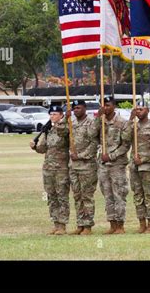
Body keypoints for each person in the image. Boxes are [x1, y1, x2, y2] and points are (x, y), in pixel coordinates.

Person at [56, 100, 98, 236]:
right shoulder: (71, 123)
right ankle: (80, 224)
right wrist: (65, 118)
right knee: (77, 196)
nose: (76, 110)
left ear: (85, 108)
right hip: (73, 166)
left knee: (87, 196)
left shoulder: (91, 122)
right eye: (74, 108)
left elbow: (94, 142)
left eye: (79, 108)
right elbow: (60, 132)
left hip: (87, 165)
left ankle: (88, 225)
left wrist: (80, 156)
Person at [29, 105, 70, 235]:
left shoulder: (65, 128)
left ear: (61, 115)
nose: (52, 116)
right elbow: (43, 148)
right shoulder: (49, 129)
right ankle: (55, 223)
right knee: (51, 197)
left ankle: (62, 225)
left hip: (61, 168)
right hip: (48, 168)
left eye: (55, 114)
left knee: (62, 196)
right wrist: (35, 147)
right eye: (51, 114)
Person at [95, 96, 132, 234]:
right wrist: (97, 119)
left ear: (114, 106)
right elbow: (91, 135)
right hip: (103, 164)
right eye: (103, 105)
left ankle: (120, 225)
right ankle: (112, 224)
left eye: (108, 105)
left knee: (119, 194)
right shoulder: (100, 122)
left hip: (117, 164)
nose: (105, 107)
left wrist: (111, 156)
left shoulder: (122, 123)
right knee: (107, 194)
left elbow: (126, 145)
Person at [128, 101, 150, 234]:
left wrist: (143, 159)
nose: (139, 112)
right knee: (137, 195)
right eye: (137, 109)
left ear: (147, 110)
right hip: (134, 167)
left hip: (147, 167)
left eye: (141, 109)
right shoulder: (133, 126)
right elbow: (124, 137)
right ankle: (141, 222)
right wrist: (130, 119)